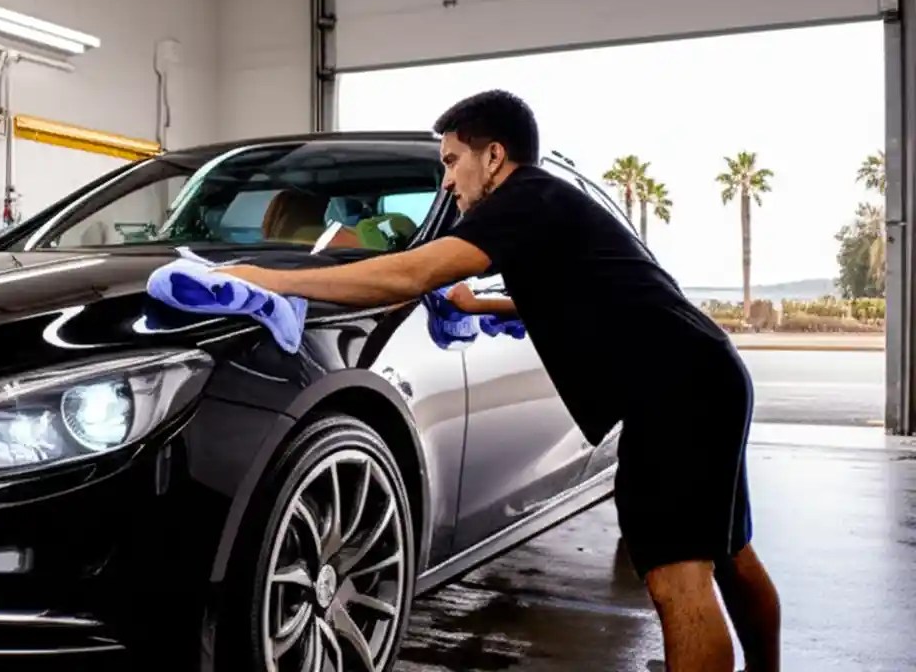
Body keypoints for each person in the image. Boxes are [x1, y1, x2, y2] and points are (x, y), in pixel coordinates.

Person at [221, 90, 782, 672]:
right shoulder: (545, 204)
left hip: (673, 392)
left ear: (493, 156)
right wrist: (484, 305)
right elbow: (581, 291)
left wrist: (271, 280)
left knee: (677, 581)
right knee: (730, 555)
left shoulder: (522, 200)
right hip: (705, 372)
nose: (446, 182)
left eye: (451, 161)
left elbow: (409, 273)